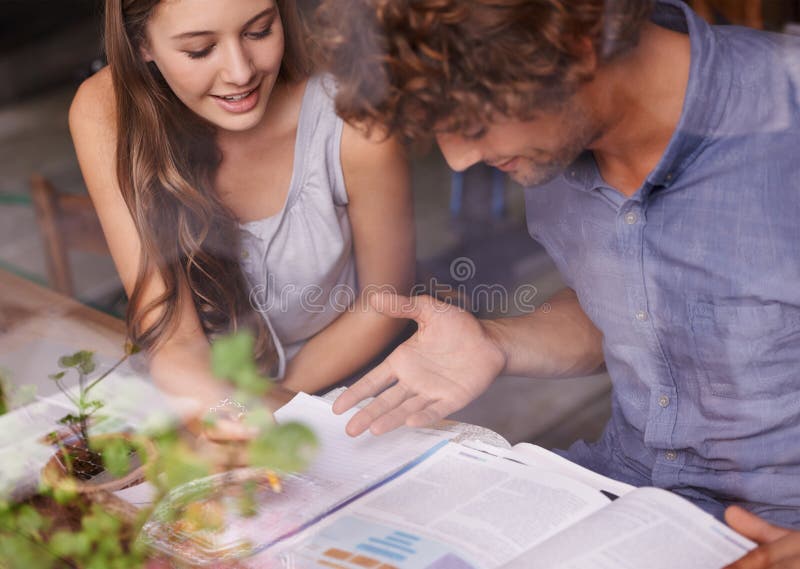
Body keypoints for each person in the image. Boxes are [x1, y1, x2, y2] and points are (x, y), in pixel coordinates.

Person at [317, 0, 800, 537]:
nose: (459, 160)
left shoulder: (787, 120)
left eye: (474, 124)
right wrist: (497, 342)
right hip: (623, 487)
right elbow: (640, 313)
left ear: (578, 45)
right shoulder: (549, 148)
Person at [68, 0, 414, 411]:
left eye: (259, 31)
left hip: (351, 392)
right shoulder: (106, 113)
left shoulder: (355, 124)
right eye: (199, 50)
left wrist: (265, 405)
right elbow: (174, 339)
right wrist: (231, 413)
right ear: (141, 43)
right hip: (212, 401)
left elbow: (386, 303)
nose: (241, 72)